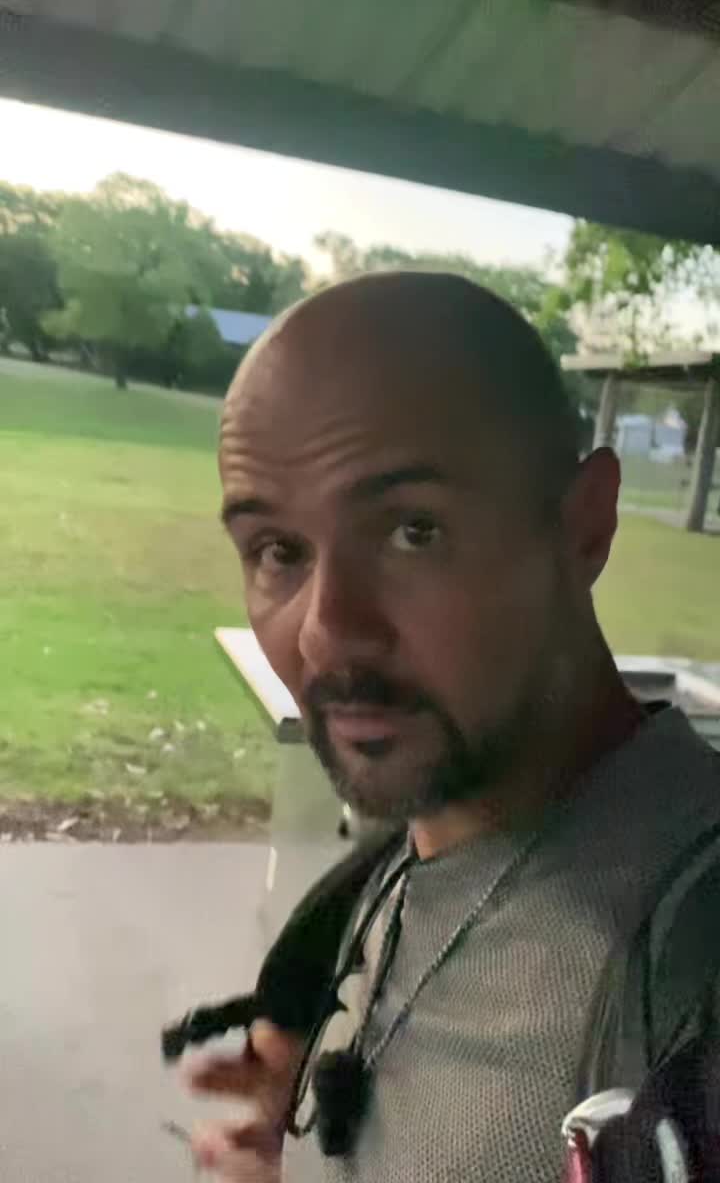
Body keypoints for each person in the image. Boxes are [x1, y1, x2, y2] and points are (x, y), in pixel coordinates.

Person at [183, 273, 720, 1181]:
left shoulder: (689, 974)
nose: (324, 633)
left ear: (584, 528)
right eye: (278, 550)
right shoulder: (421, 846)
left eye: (413, 532)